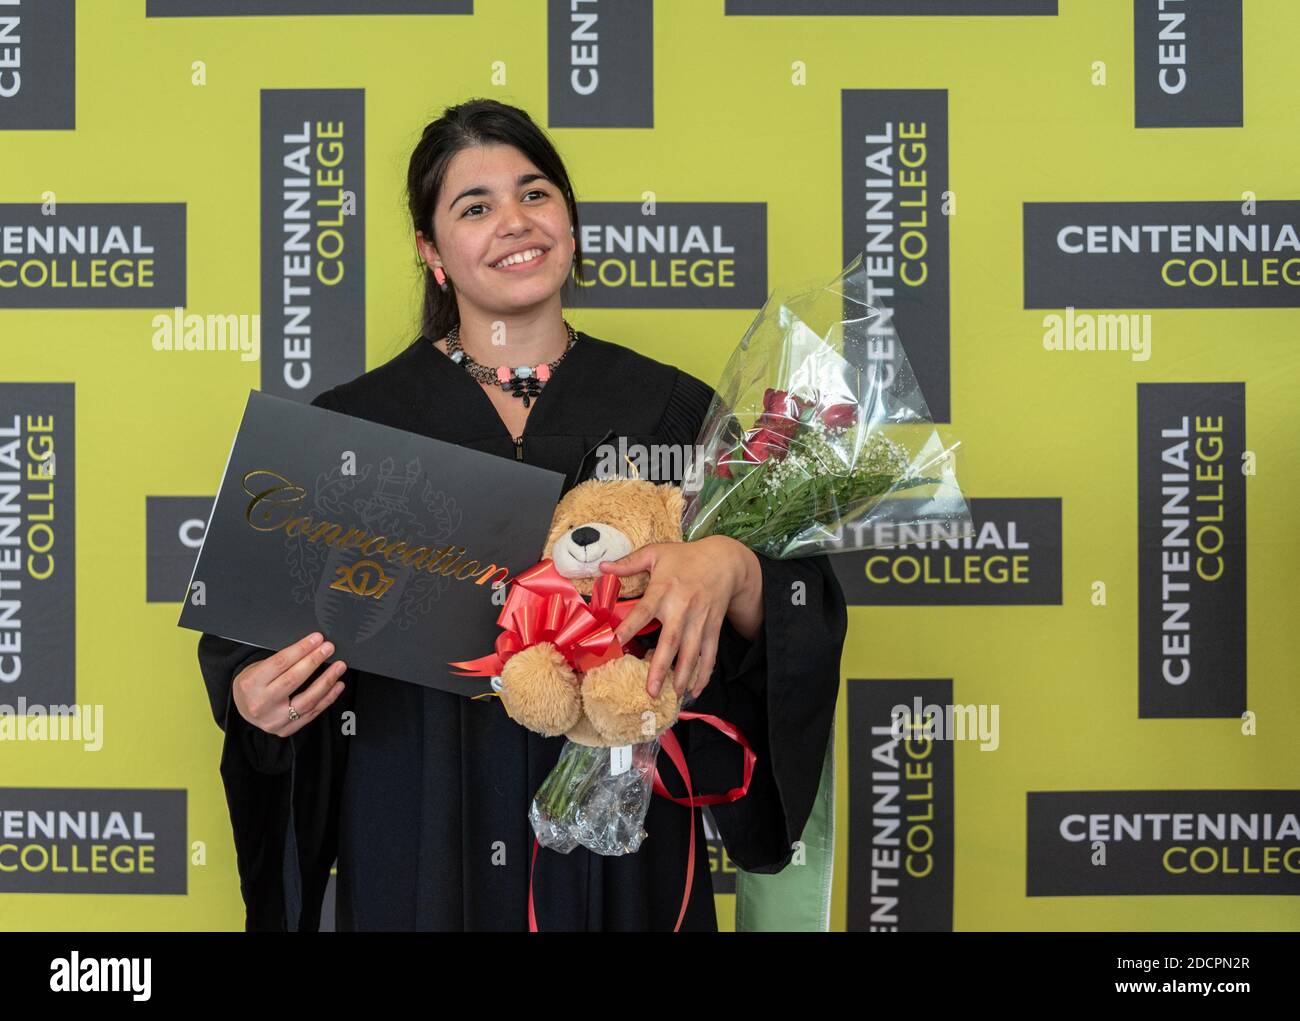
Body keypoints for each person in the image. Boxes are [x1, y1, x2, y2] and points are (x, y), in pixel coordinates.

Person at [197, 98, 847, 932]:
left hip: (624, 842)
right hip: (416, 830)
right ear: (433, 254)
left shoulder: (670, 410)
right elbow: (248, 644)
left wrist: (738, 570)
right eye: (476, 207)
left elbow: (794, 610)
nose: (514, 222)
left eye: (535, 195)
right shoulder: (351, 428)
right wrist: (256, 705)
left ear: (571, 226)